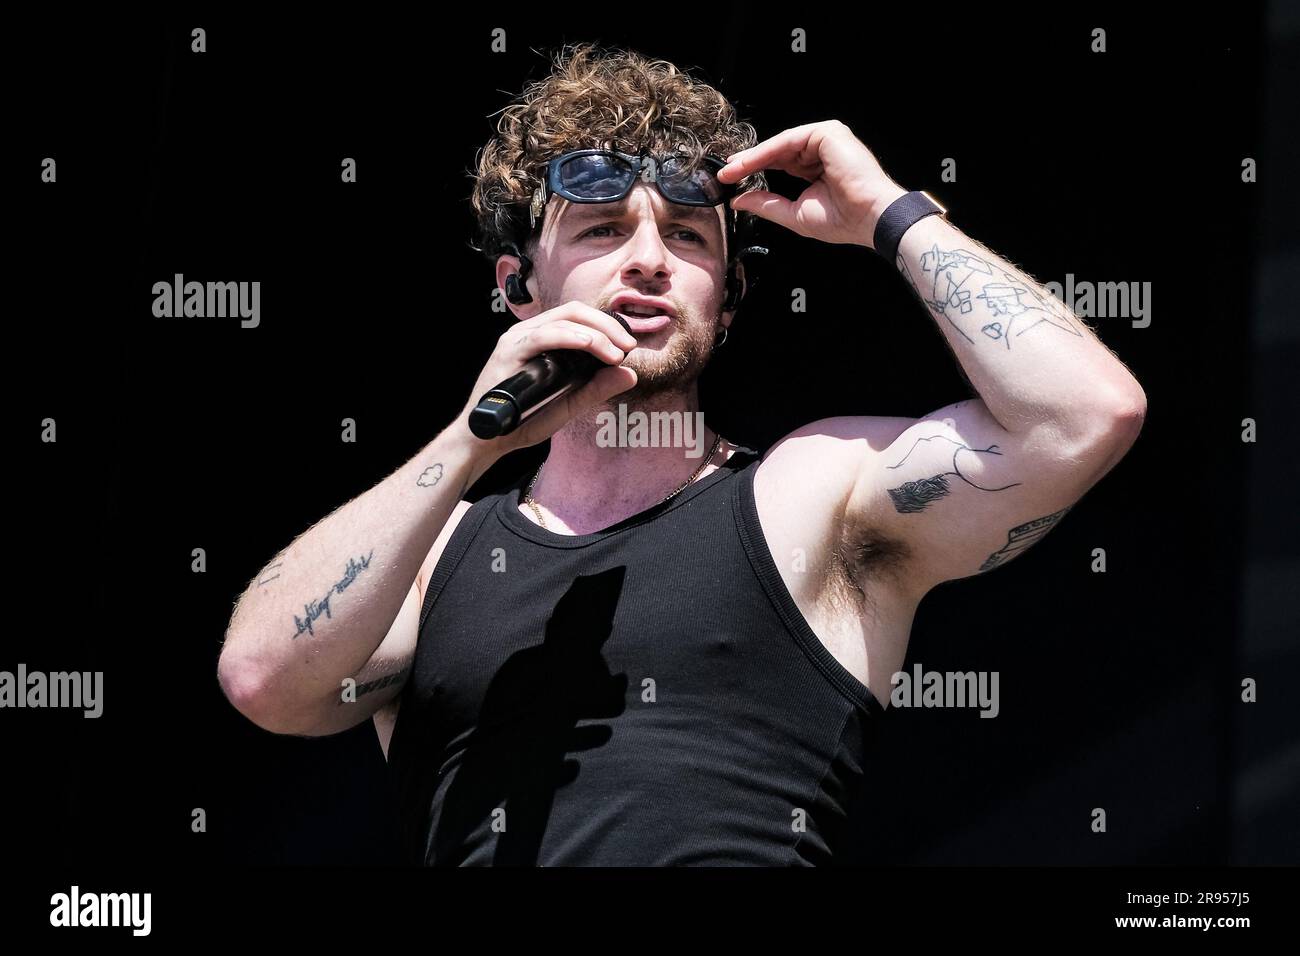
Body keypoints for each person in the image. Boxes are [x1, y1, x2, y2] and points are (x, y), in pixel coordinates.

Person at [216, 43, 1146, 865]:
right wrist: (469, 440)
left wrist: (888, 217)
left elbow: (1083, 417)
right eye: (603, 229)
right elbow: (264, 682)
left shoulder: (807, 495)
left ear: (729, 297)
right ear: (519, 288)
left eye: (688, 235)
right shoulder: (434, 556)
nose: (650, 258)